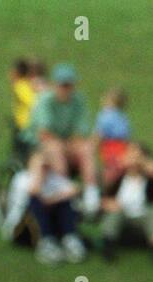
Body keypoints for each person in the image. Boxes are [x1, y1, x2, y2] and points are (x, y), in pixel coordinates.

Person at [22, 63, 100, 218]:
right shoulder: (46, 101)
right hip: (40, 144)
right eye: (63, 85)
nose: (66, 89)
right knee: (55, 147)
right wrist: (66, 144)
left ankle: (92, 194)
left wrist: (74, 143)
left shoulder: (78, 101)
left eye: (69, 85)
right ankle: (65, 190)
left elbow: (81, 131)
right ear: (55, 85)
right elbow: (44, 132)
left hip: (67, 142)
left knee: (87, 148)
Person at [98, 140, 153, 263]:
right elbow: (104, 199)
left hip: (143, 219)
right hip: (123, 219)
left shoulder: (149, 179)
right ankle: (108, 248)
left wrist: (139, 160)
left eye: (136, 154)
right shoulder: (119, 178)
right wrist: (109, 205)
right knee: (115, 213)